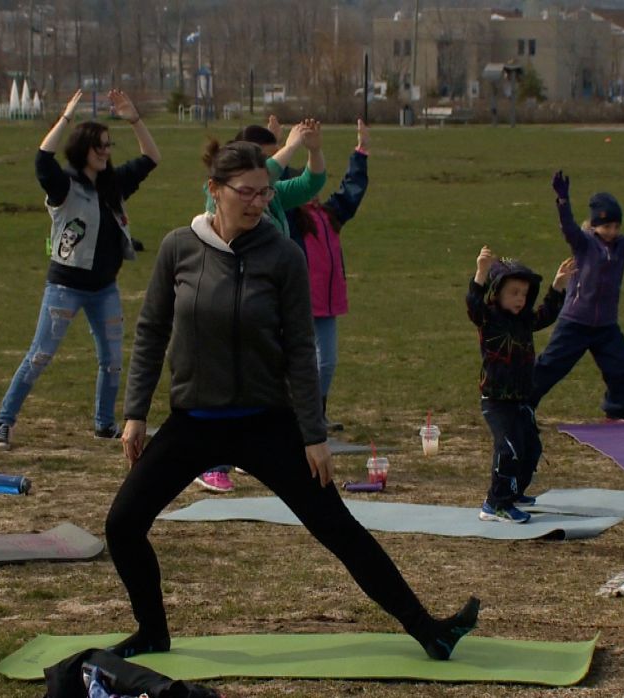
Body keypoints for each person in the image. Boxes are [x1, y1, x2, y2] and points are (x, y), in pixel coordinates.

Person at [105, 139, 479, 661]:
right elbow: (150, 332)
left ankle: (429, 631)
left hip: (267, 422)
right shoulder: (178, 248)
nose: (260, 203)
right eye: (247, 193)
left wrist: (314, 434)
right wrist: (135, 413)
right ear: (216, 190)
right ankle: (151, 632)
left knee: (337, 528)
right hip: (194, 420)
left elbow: (303, 350)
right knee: (122, 525)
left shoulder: (281, 254)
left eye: (265, 193)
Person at [0, 89, 159, 451]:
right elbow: (42, 157)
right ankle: (3, 424)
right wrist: (66, 117)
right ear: (82, 148)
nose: (106, 151)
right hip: (65, 286)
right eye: (99, 146)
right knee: (39, 356)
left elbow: (151, 157)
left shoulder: (114, 185)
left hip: (105, 288)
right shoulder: (64, 185)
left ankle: (104, 424)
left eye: (109, 145)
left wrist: (135, 119)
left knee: (112, 361)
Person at [194, 118, 327, 493]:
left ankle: (254, 452)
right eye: (262, 166)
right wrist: (291, 144)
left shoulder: (273, 195)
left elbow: (312, 183)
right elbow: (268, 171)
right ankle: (211, 464)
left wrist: (313, 148)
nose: (264, 189)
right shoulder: (219, 197)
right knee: (227, 384)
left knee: (271, 382)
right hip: (230, 301)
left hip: (267, 301)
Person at [530, 171, 624, 420]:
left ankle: (615, 413)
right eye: (607, 226)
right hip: (574, 322)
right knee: (549, 367)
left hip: (606, 326)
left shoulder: (623, 247)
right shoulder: (583, 244)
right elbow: (568, 227)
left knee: (623, 367)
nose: (612, 231)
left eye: (617, 226)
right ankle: (523, 407)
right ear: (595, 225)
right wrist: (563, 200)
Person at [468, 246, 572, 523]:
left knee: (531, 448)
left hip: (521, 398)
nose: (520, 299)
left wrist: (558, 286)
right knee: (509, 449)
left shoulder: (524, 320)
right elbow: (472, 305)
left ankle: (514, 492)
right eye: (513, 293)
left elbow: (546, 315)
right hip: (496, 400)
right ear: (498, 292)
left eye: (524, 294)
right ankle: (496, 504)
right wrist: (481, 272)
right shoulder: (488, 318)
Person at [289, 118, 372, 433]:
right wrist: (280, 142)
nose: (313, 193)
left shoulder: (329, 213)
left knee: (327, 362)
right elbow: (271, 179)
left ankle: (317, 412)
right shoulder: (291, 219)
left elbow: (353, 188)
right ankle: (299, 415)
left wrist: (361, 151)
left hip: (328, 302)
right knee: (301, 363)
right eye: (307, 187)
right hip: (300, 303)